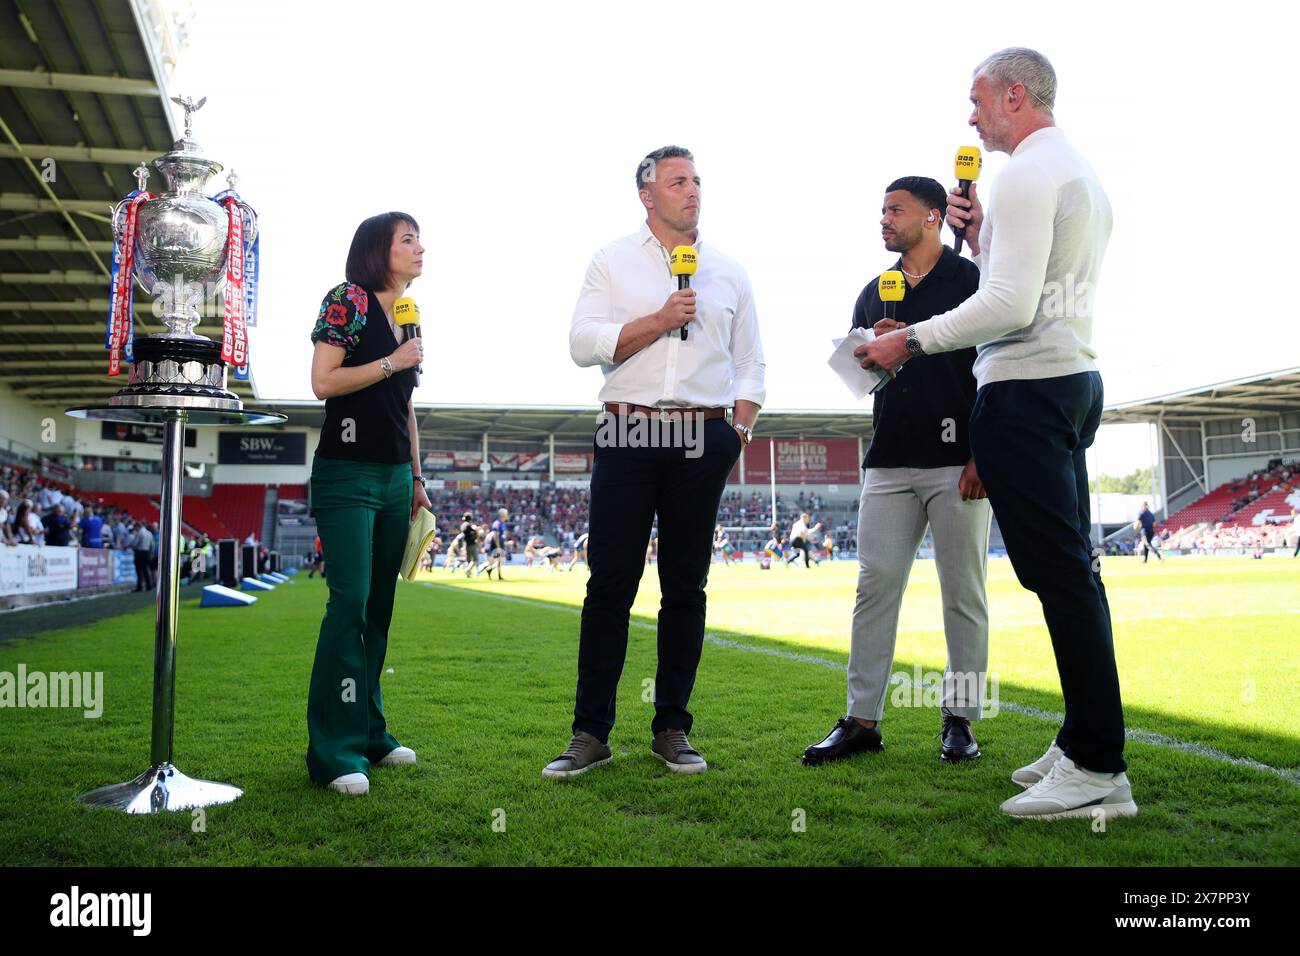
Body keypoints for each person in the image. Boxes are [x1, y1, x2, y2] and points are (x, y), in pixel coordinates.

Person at [856, 48, 1134, 820]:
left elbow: (1009, 307)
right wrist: (983, 243)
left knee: (1062, 579)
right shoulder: (1071, 169)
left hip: (1027, 391)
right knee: (1073, 573)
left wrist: (905, 340)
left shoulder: (1024, 175)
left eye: (977, 99)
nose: (969, 115)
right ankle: (1083, 739)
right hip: (1072, 381)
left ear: (1016, 95)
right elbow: (1034, 286)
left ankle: (1100, 765)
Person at [543, 145, 764, 779]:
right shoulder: (611, 260)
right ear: (647, 195)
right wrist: (659, 319)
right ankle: (591, 733)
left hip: (704, 438)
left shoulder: (728, 271)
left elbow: (752, 362)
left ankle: (671, 728)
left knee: (685, 587)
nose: (693, 191)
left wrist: (738, 432)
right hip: (628, 432)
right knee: (609, 584)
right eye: (677, 182)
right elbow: (582, 344)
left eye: (697, 180)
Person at [804, 176, 990, 769]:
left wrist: (983, 451)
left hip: (957, 461)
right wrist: (872, 352)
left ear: (934, 217)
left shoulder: (971, 279)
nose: (884, 219)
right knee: (874, 586)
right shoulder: (872, 291)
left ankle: (960, 720)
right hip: (887, 460)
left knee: (963, 593)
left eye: (896, 210)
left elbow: (995, 366)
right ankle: (862, 721)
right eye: (882, 210)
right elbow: (867, 381)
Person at [306, 210, 430, 796]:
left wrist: (418, 478)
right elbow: (324, 382)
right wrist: (391, 362)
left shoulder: (409, 317)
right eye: (409, 239)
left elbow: (404, 405)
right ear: (378, 249)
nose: (420, 248)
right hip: (346, 474)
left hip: (394, 478)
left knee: (379, 608)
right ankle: (332, 752)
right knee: (349, 603)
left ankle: (371, 732)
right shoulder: (347, 300)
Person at [131, 521, 155, 591]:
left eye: (135, 528)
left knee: (139, 570)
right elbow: (152, 544)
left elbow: (135, 543)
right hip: (146, 552)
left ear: (137, 527)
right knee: (146, 570)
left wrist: (130, 546)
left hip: (139, 552)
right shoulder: (149, 533)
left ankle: (140, 586)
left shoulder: (140, 533)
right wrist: (151, 553)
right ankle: (149, 586)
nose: (135, 530)